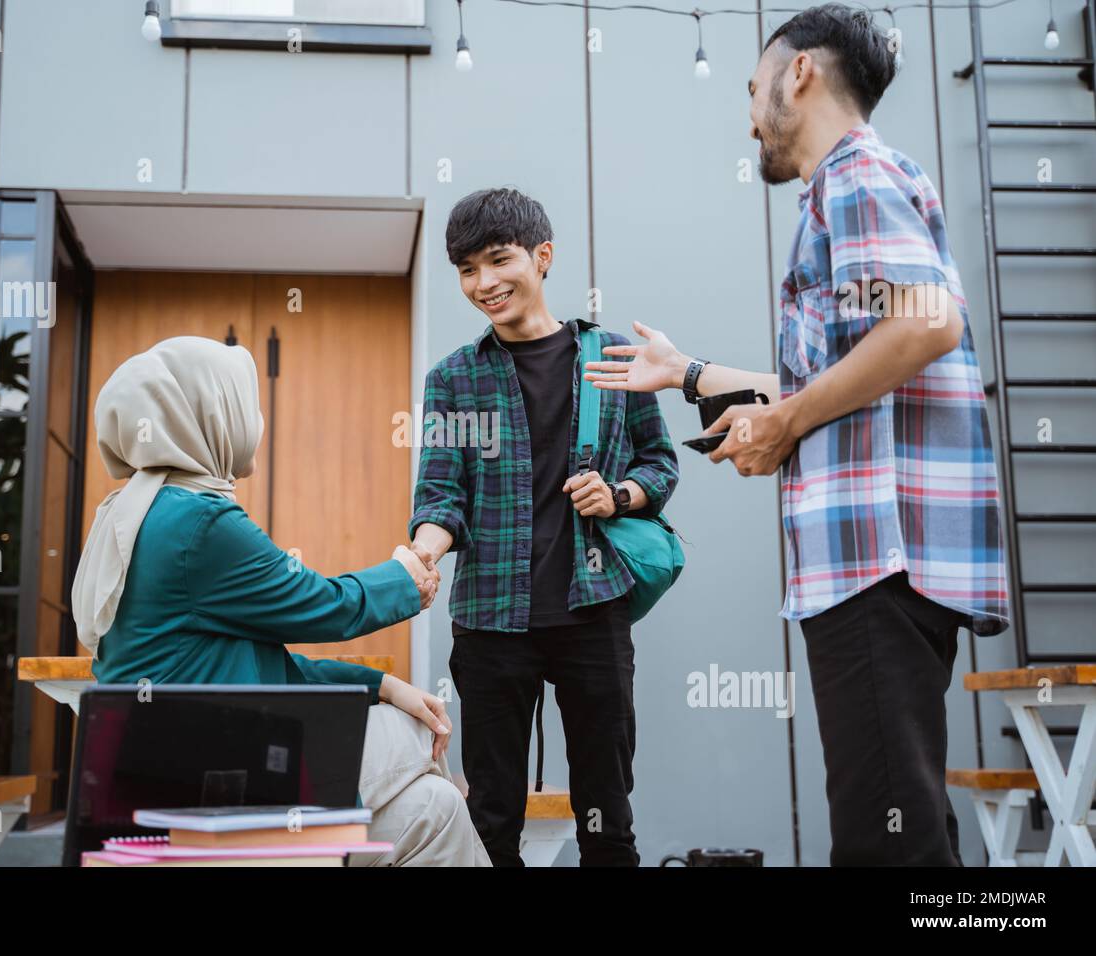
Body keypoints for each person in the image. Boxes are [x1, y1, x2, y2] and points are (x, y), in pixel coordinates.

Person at [585, 4, 1009, 866]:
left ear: (801, 72)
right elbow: (865, 368)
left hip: (874, 557)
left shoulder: (852, 175)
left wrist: (783, 422)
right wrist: (694, 374)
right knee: (905, 819)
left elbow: (927, 325)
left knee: (884, 835)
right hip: (884, 558)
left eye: (752, 89)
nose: (748, 117)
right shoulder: (866, 181)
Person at [70, 335, 490, 867]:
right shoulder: (198, 523)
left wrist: (383, 684)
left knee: (437, 807)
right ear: (208, 413)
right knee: (415, 739)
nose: (253, 422)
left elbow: (256, 663)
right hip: (222, 783)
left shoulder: (133, 515)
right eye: (241, 403)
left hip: (178, 773)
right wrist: (407, 576)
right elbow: (326, 605)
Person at [408, 188, 680, 866]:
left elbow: (661, 465)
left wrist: (617, 495)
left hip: (593, 614)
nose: (483, 283)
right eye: (467, 269)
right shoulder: (452, 381)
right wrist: (423, 553)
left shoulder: (615, 358)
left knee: (607, 818)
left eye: (498, 261)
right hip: (490, 621)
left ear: (542, 256)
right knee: (491, 819)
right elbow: (441, 496)